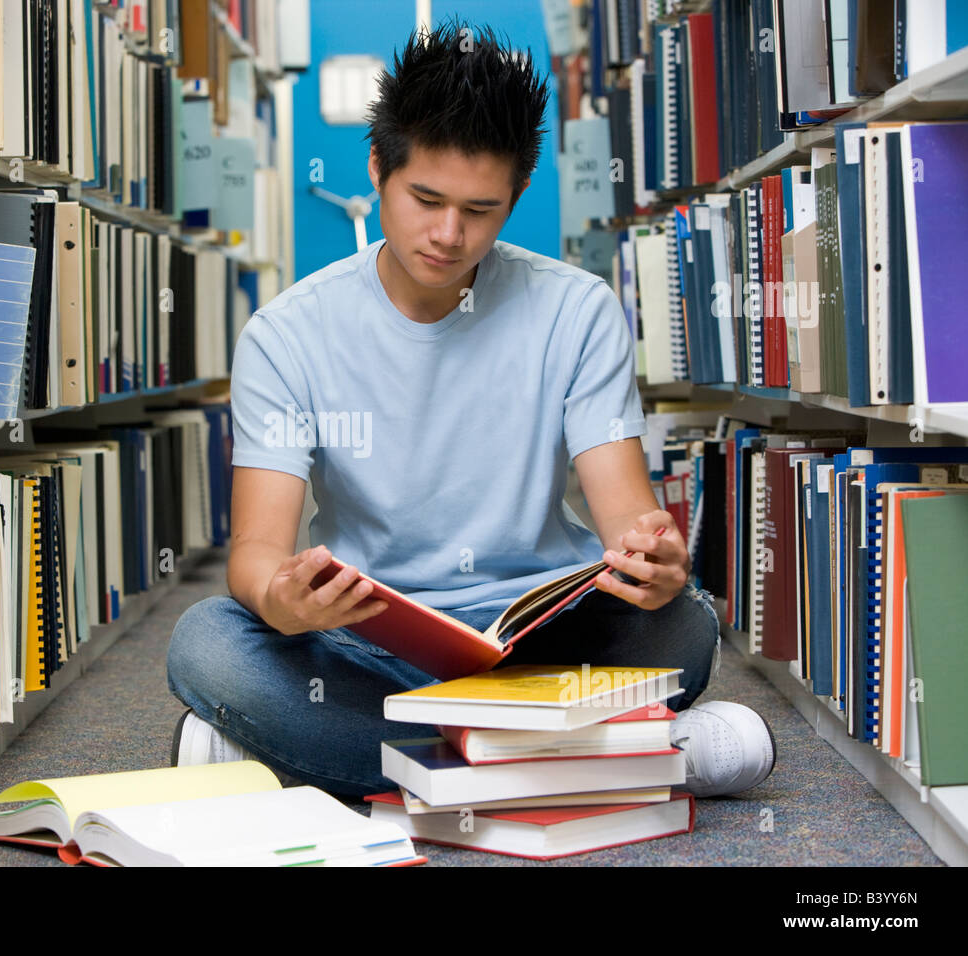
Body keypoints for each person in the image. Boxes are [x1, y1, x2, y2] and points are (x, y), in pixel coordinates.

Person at [166, 20, 775, 800]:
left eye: (481, 210)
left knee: (681, 624)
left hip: (542, 644)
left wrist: (651, 563)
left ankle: (362, 760)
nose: (449, 235)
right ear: (378, 168)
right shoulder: (286, 334)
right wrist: (283, 600)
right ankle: (614, 756)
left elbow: (629, 518)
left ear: (518, 196)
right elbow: (255, 551)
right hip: (370, 647)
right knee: (206, 642)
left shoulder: (577, 312)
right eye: (426, 198)